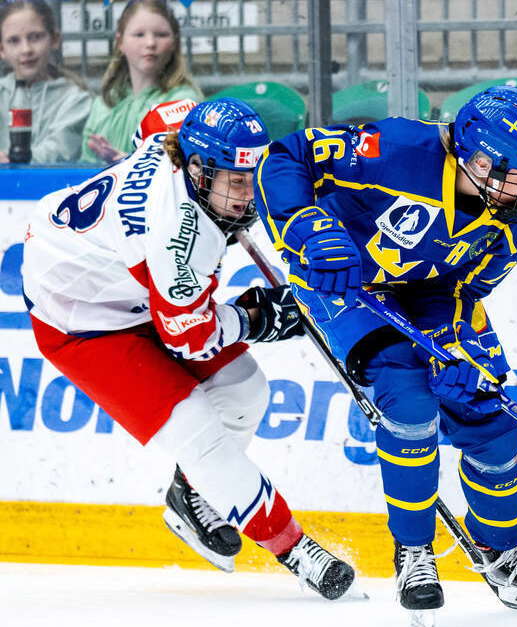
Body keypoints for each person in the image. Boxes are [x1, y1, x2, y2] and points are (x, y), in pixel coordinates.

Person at [255, 86, 517, 613]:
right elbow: (287, 155)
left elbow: (466, 289)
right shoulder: (395, 149)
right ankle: (413, 551)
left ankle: (504, 556)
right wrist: (308, 229)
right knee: (408, 403)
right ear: (475, 157)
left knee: (490, 415)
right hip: (344, 284)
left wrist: (455, 348)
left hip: (431, 295)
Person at [22, 98, 354, 600]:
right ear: (196, 170)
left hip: (122, 279)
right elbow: (189, 337)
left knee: (245, 391)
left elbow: (155, 118)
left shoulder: (183, 138)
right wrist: (256, 318)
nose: (247, 193)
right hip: (80, 318)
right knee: (197, 431)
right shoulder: (177, 242)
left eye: (251, 176)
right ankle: (292, 547)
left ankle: (191, 495)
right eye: (234, 183)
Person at [80, 0, 201, 164]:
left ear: (175, 42)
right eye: (139, 34)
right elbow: (84, 163)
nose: (150, 43)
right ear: (120, 42)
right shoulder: (104, 102)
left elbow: (185, 168)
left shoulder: (183, 102)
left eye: (161, 34)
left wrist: (126, 162)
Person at [0, 0, 91, 163]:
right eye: (14, 41)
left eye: (35, 37)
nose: (26, 49)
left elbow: (59, 152)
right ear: (2, 50)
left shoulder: (76, 100)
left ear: (55, 39)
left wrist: (10, 160)